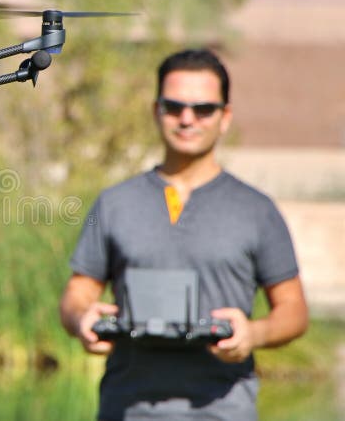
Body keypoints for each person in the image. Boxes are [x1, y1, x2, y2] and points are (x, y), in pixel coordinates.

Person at [59, 48, 308, 420]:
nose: (187, 119)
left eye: (203, 109)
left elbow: (294, 311)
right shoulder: (114, 203)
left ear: (225, 117)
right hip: (126, 409)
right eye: (174, 107)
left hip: (223, 411)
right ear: (156, 110)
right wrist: (82, 319)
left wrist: (253, 334)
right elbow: (76, 294)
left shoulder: (257, 210)